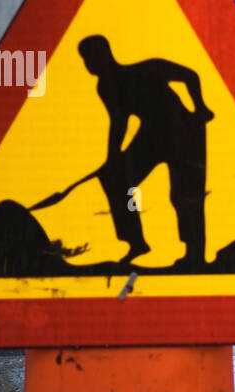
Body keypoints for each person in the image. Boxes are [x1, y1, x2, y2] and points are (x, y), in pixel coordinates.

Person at [77, 35, 213, 267]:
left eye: (90, 58)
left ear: (104, 55)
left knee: (186, 195)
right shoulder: (106, 87)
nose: (87, 64)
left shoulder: (148, 69)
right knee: (116, 179)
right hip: (153, 134)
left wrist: (199, 107)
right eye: (85, 59)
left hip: (184, 130)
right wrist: (112, 159)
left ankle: (195, 254)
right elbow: (119, 121)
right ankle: (136, 242)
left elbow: (190, 75)